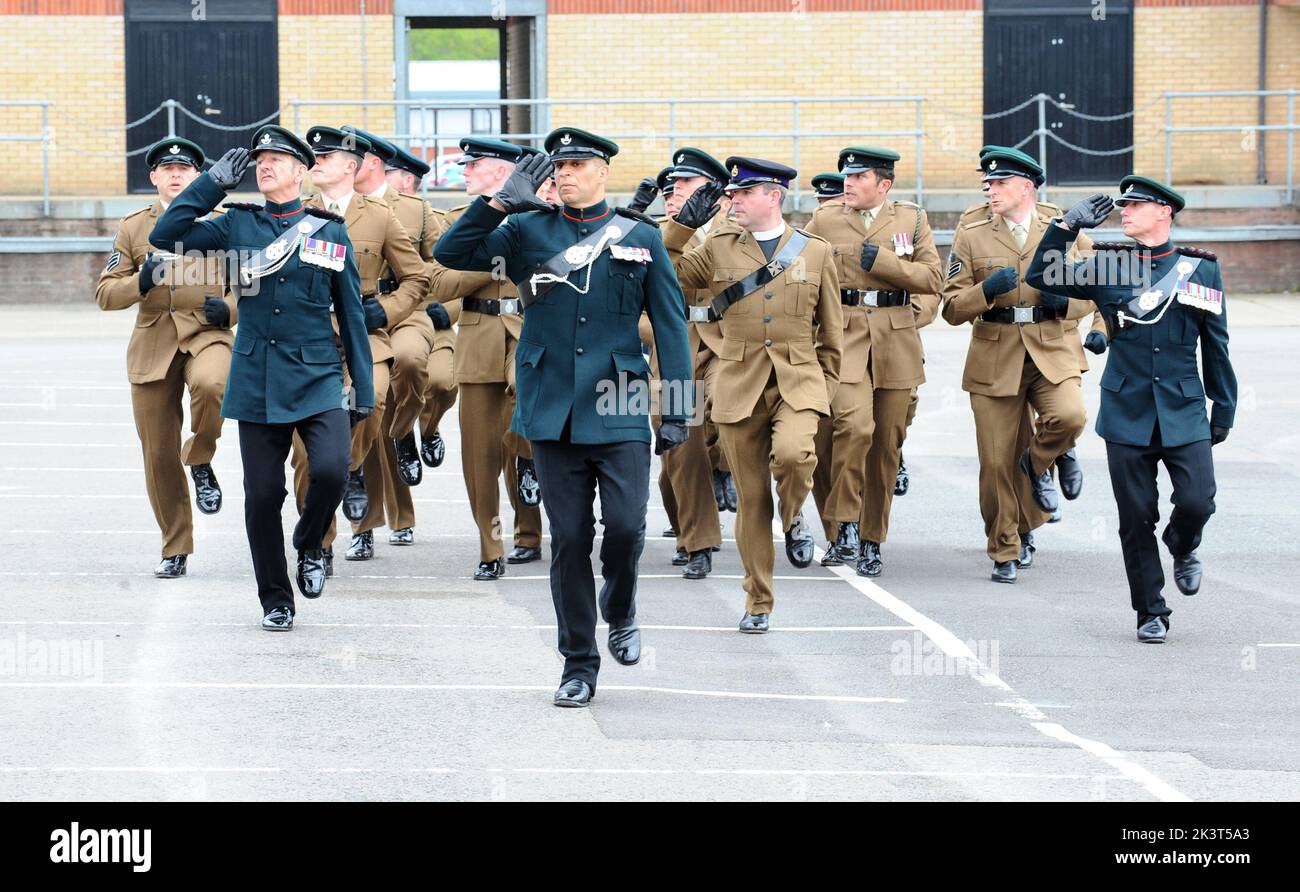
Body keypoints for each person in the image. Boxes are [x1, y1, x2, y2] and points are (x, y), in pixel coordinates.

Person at [434, 127, 694, 707]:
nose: (566, 173)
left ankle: (621, 605)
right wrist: (498, 201)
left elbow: (672, 325)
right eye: (560, 165)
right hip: (552, 402)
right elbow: (449, 255)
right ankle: (579, 663)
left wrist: (678, 406)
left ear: (603, 172)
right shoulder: (526, 230)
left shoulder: (640, 236)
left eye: (578, 164)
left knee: (626, 529)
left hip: (620, 397)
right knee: (570, 538)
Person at [150, 125, 373, 631]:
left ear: (301, 170)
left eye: (277, 158)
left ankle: (311, 542)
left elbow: (351, 314)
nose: (264, 164)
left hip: (317, 374)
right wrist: (209, 185)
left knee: (334, 471)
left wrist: (363, 385)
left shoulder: (329, 231)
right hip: (256, 375)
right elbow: (166, 235)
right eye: (260, 159)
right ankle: (275, 598)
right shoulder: (237, 225)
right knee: (264, 495)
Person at [1025, 177, 1236, 642]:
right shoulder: (1108, 264)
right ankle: (1150, 611)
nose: (1126, 210)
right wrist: (1063, 227)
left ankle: (1182, 545)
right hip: (1127, 411)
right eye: (1125, 204)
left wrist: (1224, 406)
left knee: (1199, 500)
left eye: (1137, 204)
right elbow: (1041, 276)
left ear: (1165, 212)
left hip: (1184, 407)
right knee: (1136, 515)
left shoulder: (1200, 270)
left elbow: (1215, 345)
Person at [664, 156, 843, 633]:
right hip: (738, 383)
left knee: (793, 456)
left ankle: (795, 511)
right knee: (751, 501)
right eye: (731, 193)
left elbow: (832, 331)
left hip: (799, 380)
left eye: (744, 193)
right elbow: (665, 274)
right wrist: (682, 228)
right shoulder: (720, 246)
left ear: (774, 196)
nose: (733, 200)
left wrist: (825, 384)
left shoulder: (816, 252)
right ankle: (758, 601)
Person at [941, 147, 1094, 582]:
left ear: (1026, 187)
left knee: (1069, 416)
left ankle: (1040, 461)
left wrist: (1067, 302)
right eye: (987, 184)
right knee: (994, 463)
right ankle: (1006, 546)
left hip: (1051, 347)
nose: (990, 189)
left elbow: (1092, 290)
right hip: (995, 352)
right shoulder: (971, 234)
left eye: (1000, 183)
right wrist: (985, 290)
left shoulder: (1061, 228)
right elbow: (951, 309)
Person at [95, 137, 234, 578]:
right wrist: (140, 280)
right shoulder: (134, 227)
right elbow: (105, 294)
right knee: (157, 453)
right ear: (153, 177)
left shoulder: (222, 222)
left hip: (206, 334)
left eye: (186, 168)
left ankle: (202, 455)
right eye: (167, 168)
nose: (176, 174)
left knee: (214, 384)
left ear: (198, 176)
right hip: (153, 344)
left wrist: (228, 309)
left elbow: (253, 284)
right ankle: (175, 546)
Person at [806, 147, 941, 576]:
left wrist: (882, 263)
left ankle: (871, 540)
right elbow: (800, 270)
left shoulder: (912, 219)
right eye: (846, 175)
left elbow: (931, 279)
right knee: (853, 426)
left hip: (895, 339)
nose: (848, 183)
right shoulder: (825, 220)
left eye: (859, 177)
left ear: (884, 184)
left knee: (885, 447)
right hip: (844, 337)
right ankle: (843, 523)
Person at [429, 137, 545, 581]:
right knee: (479, 457)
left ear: (503, 172)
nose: (464, 171)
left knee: (527, 418)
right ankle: (490, 546)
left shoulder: (539, 217)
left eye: (473, 165)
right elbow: (438, 282)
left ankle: (528, 533)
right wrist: (498, 255)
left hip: (529, 334)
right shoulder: (461, 222)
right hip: (479, 341)